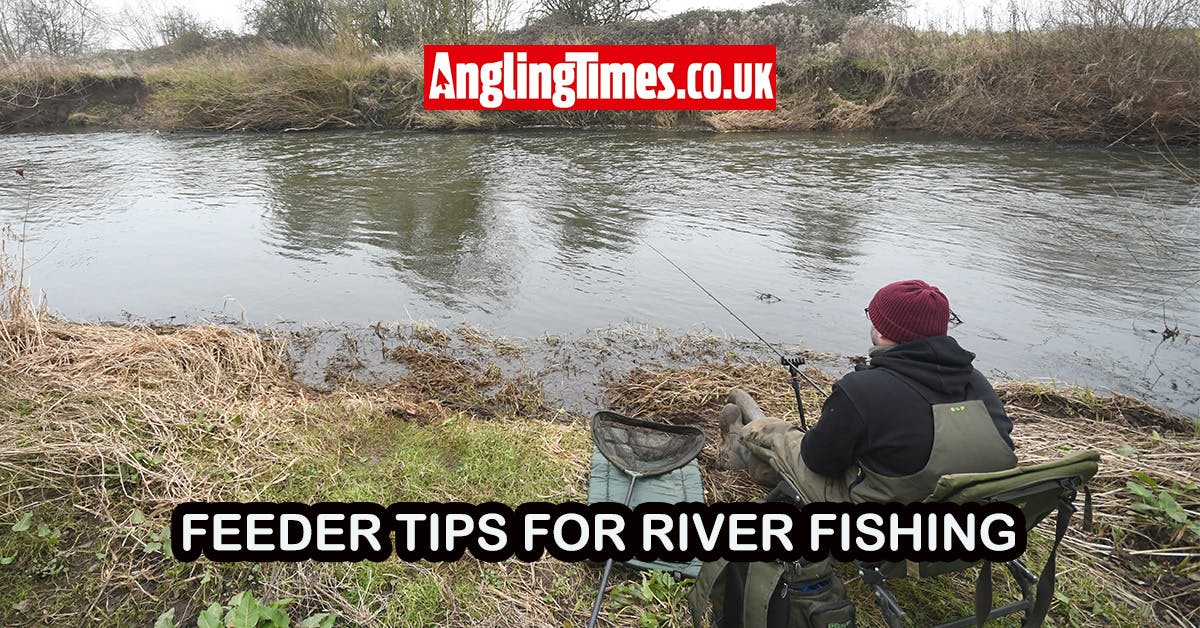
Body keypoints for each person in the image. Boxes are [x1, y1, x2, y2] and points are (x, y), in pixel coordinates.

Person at [719, 279, 1017, 504]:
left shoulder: (860, 389)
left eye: (872, 316)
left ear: (883, 331)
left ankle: (741, 449)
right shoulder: (977, 382)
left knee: (780, 438)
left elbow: (818, 463)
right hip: (963, 519)